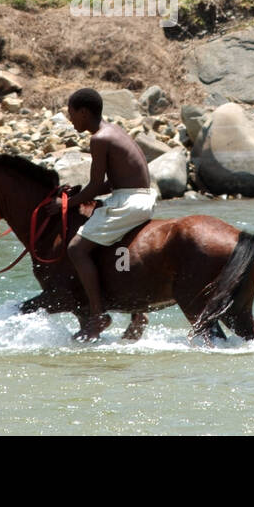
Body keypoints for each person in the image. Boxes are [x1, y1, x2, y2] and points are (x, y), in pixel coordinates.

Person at [64, 87, 155, 342]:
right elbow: (110, 183)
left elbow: (95, 186)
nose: (70, 119)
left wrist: (67, 205)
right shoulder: (113, 131)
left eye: (72, 114)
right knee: (114, 247)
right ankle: (138, 314)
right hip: (136, 196)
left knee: (76, 249)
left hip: (130, 201)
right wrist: (81, 195)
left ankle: (97, 316)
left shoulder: (100, 138)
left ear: (83, 112)